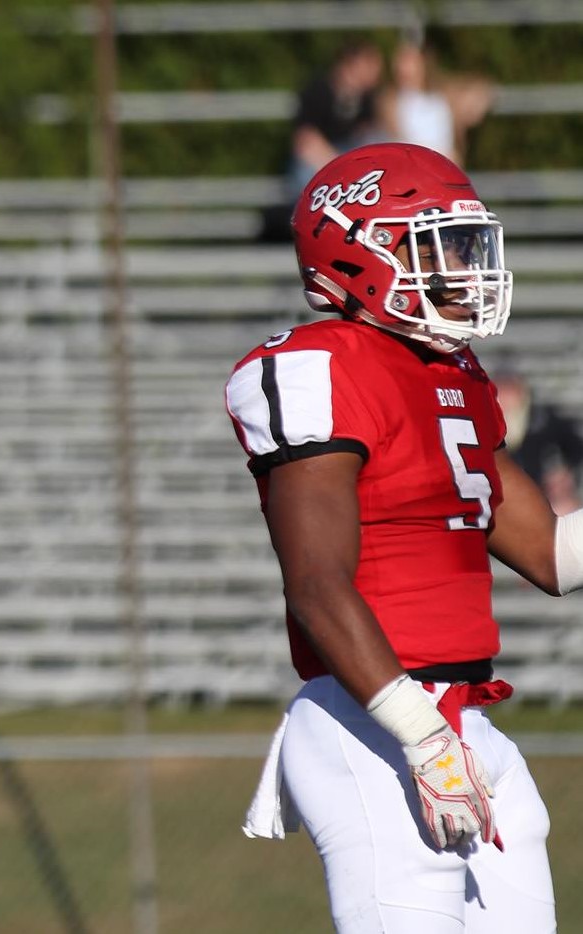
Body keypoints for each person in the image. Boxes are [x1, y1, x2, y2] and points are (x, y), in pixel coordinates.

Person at [227, 143, 564, 930]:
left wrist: (445, 738)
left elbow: (551, 556)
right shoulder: (322, 366)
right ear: (356, 256)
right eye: (436, 245)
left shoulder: (455, 377)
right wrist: (420, 740)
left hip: (462, 717)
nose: (460, 267)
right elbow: (314, 585)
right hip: (370, 719)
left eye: (465, 244)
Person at [287, 40, 385, 197]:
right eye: (371, 64)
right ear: (353, 64)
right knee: (305, 176)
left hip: (347, 157)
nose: (377, 72)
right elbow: (305, 141)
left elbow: (369, 136)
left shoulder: (368, 98)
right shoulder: (318, 91)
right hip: (320, 159)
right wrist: (340, 167)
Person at [377, 38, 495, 167]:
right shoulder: (391, 99)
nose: (403, 67)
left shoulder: (442, 95)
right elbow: (395, 138)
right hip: (412, 167)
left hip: (443, 166)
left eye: (410, 60)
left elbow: (480, 92)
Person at [492, 368, 583, 513]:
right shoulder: (483, 422)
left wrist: (565, 472)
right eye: (501, 390)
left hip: (541, 491)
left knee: (563, 508)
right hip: (500, 496)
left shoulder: (542, 418)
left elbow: (575, 445)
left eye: (509, 390)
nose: (506, 397)